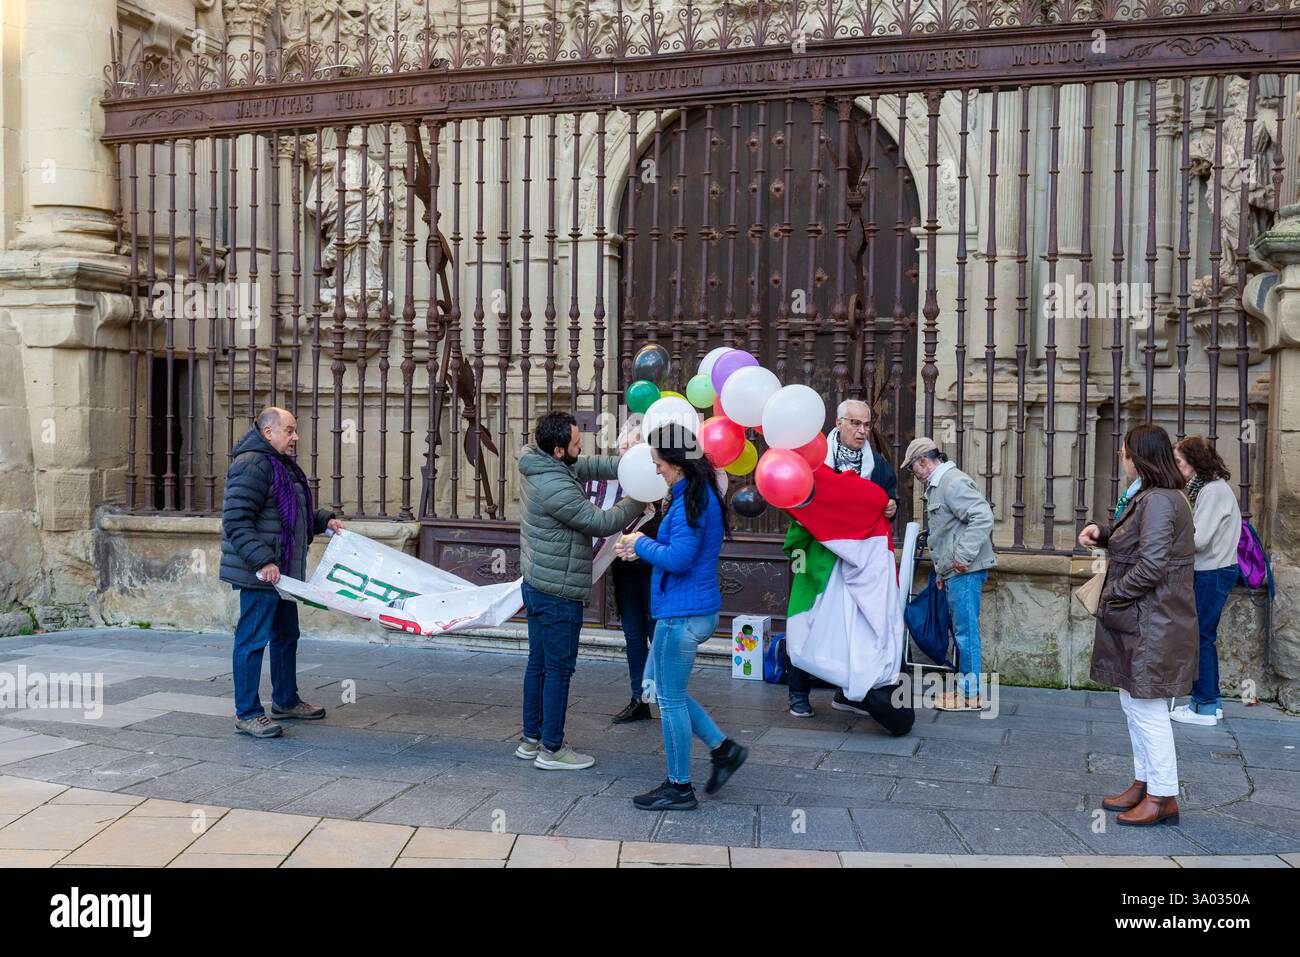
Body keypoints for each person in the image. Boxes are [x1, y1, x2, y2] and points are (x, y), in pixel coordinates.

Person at [615, 425, 747, 810]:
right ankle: (723, 750)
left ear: (676, 462)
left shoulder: (694, 498)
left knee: (668, 700)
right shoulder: (692, 492)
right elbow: (676, 550)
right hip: (687, 608)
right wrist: (643, 551)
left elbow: (679, 558)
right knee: (656, 686)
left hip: (682, 614)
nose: (656, 470)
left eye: (658, 463)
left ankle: (679, 787)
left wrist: (641, 543)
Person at [1078, 424, 1198, 827]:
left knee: (1147, 708)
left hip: (1153, 620)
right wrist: (1105, 535)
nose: (1122, 459)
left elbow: (1153, 564)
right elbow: (1141, 544)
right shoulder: (1149, 496)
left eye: (1126, 453)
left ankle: (1163, 796)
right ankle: (1145, 782)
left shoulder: (1161, 500)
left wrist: (1114, 594)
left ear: (1140, 458)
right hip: (1145, 618)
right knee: (1134, 702)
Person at [517, 410, 647, 770]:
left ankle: (531, 739)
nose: (581, 448)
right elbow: (602, 522)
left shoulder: (541, 460)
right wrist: (640, 494)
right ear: (559, 450)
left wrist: (632, 464)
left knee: (539, 664)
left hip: (539, 582)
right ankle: (552, 749)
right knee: (558, 670)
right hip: (558, 590)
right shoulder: (554, 486)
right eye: (576, 444)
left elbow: (588, 465)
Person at [220, 407, 343, 738]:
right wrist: (263, 561)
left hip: (283, 573)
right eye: (289, 430)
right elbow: (236, 520)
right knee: (252, 639)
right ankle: (246, 713)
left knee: (287, 636)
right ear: (268, 432)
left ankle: (285, 700)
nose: (295, 437)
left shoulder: (278, 464)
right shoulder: (252, 464)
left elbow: (287, 515)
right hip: (262, 573)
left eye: (295, 430)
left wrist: (322, 520)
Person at [787, 399, 900, 718]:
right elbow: (793, 496)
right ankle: (798, 692)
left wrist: (892, 507)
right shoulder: (814, 459)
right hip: (813, 553)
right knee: (806, 617)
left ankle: (847, 693)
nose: (862, 431)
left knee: (851, 623)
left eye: (867, 424)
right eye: (855, 423)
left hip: (855, 559)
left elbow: (889, 501)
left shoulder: (878, 466)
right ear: (838, 423)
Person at [903, 437, 996, 711]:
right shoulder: (939, 485)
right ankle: (965, 690)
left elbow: (982, 517)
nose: (914, 474)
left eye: (913, 468)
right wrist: (943, 572)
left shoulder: (951, 482)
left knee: (966, 633)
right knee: (962, 631)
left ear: (923, 461)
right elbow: (947, 532)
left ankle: (970, 695)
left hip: (965, 571)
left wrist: (961, 558)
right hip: (957, 572)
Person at [1170, 436, 1242, 727]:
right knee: (1204, 637)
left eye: (1179, 461)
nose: (1176, 467)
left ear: (1194, 461)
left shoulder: (1212, 491)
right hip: (1214, 571)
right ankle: (1211, 700)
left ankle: (1205, 706)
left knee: (1201, 639)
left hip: (1212, 572)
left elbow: (1199, 539)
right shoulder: (1205, 488)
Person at [609, 421, 664, 724]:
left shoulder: (661, 487)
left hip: (654, 569)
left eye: (630, 447)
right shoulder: (616, 486)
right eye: (621, 449)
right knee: (633, 635)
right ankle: (638, 698)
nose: (625, 454)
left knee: (657, 634)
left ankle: (664, 695)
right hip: (625, 569)